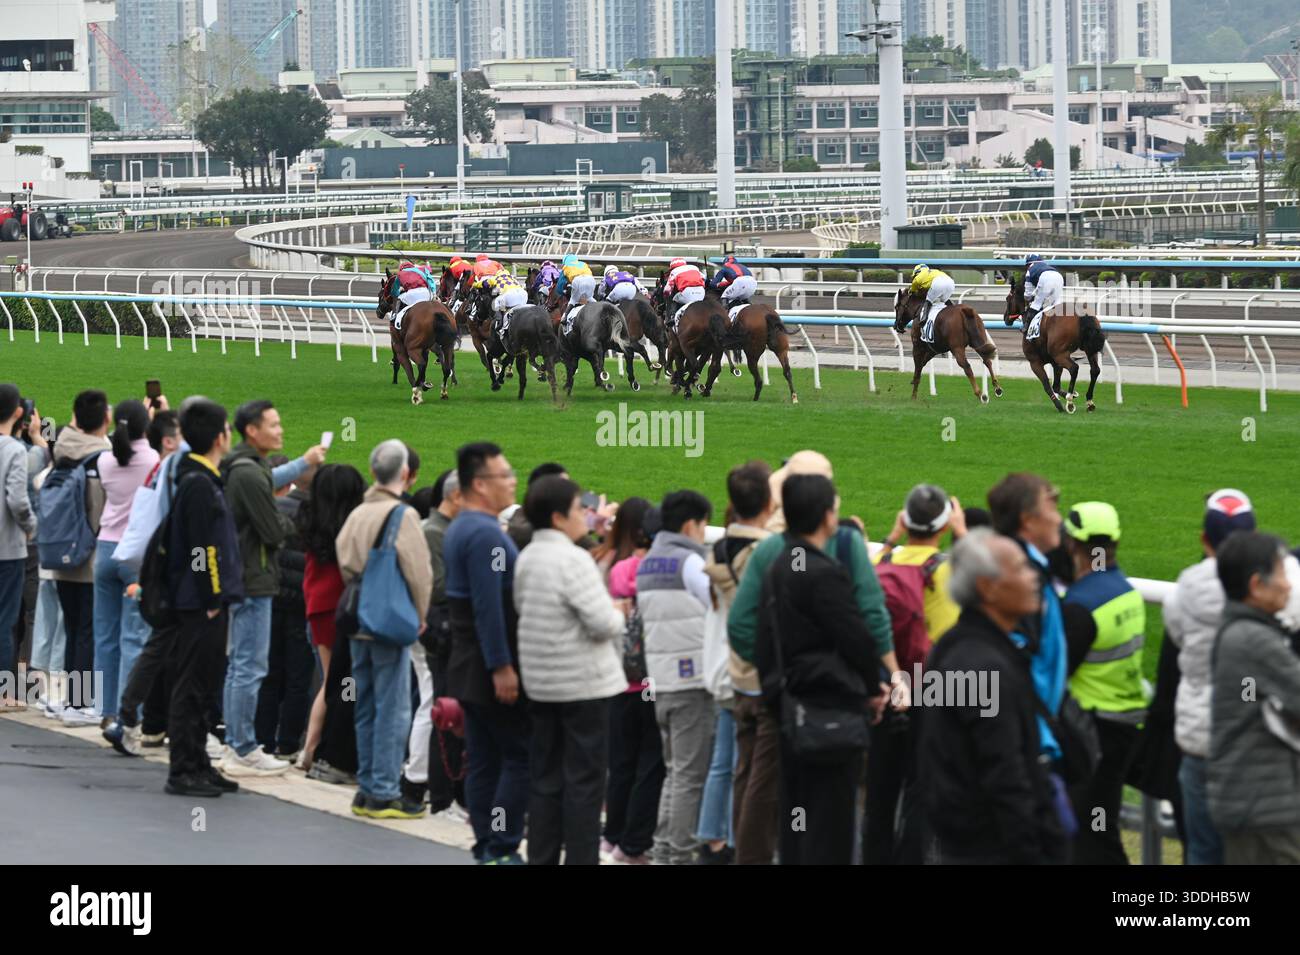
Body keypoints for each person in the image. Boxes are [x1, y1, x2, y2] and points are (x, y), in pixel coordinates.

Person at [727, 450, 896, 864]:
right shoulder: (844, 545)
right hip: (832, 700)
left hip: (782, 699)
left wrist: (775, 675)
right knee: (829, 809)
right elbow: (869, 619)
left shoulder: (771, 552)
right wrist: (885, 678)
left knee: (779, 799)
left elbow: (744, 627)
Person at [917, 529, 1068, 864]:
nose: (1033, 578)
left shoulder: (952, 648)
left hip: (962, 840)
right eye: (1020, 569)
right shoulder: (985, 664)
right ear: (987, 587)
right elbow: (1005, 777)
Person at [514, 475, 626, 864]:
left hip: (543, 686)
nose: (586, 515)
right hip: (583, 688)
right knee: (585, 785)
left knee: (546, 781)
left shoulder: (528, 556)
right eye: (580, 508)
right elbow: (602, 622)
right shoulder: (573, 559)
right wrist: (618, 612)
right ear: (560, 517)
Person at [218, 400, 323, 777]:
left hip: (245, 575)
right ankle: (244, 748)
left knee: (243, 666)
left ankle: (238, 743)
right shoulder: (248, 474)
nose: (280, 432)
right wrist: (308, 525)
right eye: (274, 425)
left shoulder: (248, 467)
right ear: (252, 431)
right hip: (254, 577)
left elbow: (269, 480)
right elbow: (273, 529)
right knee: (250, 665)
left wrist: (303, 462)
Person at [864, 483, 966, 865]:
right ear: (943, 525)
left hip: (887, 686)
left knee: (879, 793)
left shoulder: (882, 565)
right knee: (921, 795)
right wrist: (963, 533)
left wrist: (890, 538)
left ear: (905, 521)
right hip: (934, 688)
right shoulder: (952, 570)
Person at [335, 440, 433, 819]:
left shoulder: (360, 510)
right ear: (406, 474)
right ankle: (384, 790)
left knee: (367, 704)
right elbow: (419, 573)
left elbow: (344, 558)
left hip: (358, 616)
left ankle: (368, 786)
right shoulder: (402, 515)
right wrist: (419, 614)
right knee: (393, 708)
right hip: (389, 618)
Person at [443, 441, 528, 864]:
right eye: (504, 475)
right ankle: (501, 845)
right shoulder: (483, 534)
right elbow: (488, 604)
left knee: (484, 758)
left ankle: (488, 845)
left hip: (469, 661)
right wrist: (502, 666)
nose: (513, 482)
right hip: (487, 664)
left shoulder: (465, 526)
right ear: (479, 483)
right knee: (515, 756)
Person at [1165, 488, 1257, 865]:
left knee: (1203, 851)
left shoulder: (1184, 588)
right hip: (1259, 747)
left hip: (1202, 742)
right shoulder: (1286, 583)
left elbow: (1177, 636)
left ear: (1204, 539)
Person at [1059, 501, 1149, 865]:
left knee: (1092, 838)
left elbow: (1053, 673)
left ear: (1073, 544)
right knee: (1099, 828)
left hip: (1091, 732)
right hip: (1122, 725)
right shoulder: (1124, 589)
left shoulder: (1081, 605)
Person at [162, 399, 243, 797]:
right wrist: (212, 594)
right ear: (218, 437)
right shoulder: (198, 483)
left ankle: (199, 761)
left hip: (207, 598)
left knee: (205, 684)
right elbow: (201, 548)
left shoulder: (204, 477)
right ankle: (183, 768)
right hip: (200, 602)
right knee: (192, 684)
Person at [1207, 531, 1300, 863]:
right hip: (1263, 810)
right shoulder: (1254, 640)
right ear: (1256, 585)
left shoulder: (1242, 631)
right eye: (1281, 573)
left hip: (1253, 802)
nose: (1289, 585)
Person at [701, 461, 775, 865]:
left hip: (721, 665)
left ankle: (715, 839)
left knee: (726, 763)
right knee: (742, 768)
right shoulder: (763, 552)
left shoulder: (719, 545)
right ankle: (728, 841)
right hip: (744, 673)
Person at [637, 489, 715, 866]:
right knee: (688, 777)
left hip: (663, 680)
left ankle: (666, 851)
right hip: (693, 683)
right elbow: (722, 608)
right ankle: (679, 855)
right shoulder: (690, 563)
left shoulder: (649, 561)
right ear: (691, 525)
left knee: (675, 774)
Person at [987, 473, 1068, 769]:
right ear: (1028, 520)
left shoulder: (1025, 570)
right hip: (1021, 746)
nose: (1059, 520)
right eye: (1052, 509)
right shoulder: (1018, 582)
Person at [598, 498, 664, 864]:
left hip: (618, 679)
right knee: (650, 766)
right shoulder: (664, 569)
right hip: (653, 680)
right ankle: (634, 843)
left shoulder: (620, 567)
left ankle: (612, 835)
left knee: (621, 763)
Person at [297, 464, 367, 783]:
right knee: (335, 682)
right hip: (335, 605)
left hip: (317, 602)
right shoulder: (347, 526)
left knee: (331, 681)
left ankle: (311, 750)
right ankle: (312, 750)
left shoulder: (313, 518)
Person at [46, 389, 112, 724]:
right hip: (88, 554)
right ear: (105, 419)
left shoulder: (63, 448)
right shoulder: (101, 458)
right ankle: (79, 701)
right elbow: (100, 511)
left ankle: (71, 698)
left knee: (73, 628)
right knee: (87, 629)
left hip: (61, 548)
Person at [92, 400, 159, 724]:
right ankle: (129, 712)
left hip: (105, 549)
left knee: (105, 636)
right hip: (136, 554)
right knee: (133, 637)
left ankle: (106, 711)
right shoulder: (152, 459)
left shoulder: (106, 459)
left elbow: (116, 447)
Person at [253, 457, 313, 760]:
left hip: (272, 597)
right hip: (301, 601)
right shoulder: (314, 514)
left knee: (269, 671)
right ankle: (287, 742)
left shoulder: (269, 511)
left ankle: (262, 739)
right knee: (298, 676)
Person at [413, 468, 462, 811]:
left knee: (445, 711)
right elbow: (437, 587)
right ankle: (438, 797)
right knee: (439, 711)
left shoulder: (444, 531)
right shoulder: (432, 532)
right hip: (438, 632)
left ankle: (443, 794)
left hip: (443, 631)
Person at [0, 384, 38, 708]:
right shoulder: (14, 449)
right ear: (18, 413)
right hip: (7, 548)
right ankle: (3, 691)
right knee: (5, 620)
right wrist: (31, 527)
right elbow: (17, 499)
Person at [909, 263, 956, 345]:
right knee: (944, 301)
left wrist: (912, 291)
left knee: (929, 300)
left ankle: (923, 319)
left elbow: (914, 287)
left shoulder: (918, 276)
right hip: (951, 283)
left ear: (917, 272)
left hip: (938, 283)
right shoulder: (933, 272)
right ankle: (954, 311)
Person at [476, 268, 527, 341]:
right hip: (523, 294)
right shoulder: (512, 278)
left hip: (510, 295)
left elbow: (483, 284)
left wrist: (475, 284)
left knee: (495, 302)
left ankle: (499, 322)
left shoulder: (495, 278)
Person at [1023, 254, 1064, 342]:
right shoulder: (1047, 266)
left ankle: (1027, 328)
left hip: (1045, 278)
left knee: (1036, 304)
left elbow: (1027, 295)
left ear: (1028, 264)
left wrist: (1029, 299)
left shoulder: (1030, 270)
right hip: (1059, 277)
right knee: (1056, 304)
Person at [389, 260, 435, 332]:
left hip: (412, 294)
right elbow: (431, 281)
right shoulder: (422, 269)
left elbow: (394, 291)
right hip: (426, 293)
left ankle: (394, 315)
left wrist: (397, 293)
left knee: (399, 298)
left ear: (401, 268)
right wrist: (433, 292)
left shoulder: (400, 274)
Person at [556, 254, 596, 335]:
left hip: (578, 280)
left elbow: (559, 287)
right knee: (590, 298)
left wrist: (564, 291)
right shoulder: (583, 264)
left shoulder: (566, 267)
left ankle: (564, 317)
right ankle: (598, 307)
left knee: (573, 300)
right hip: (591, 280)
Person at [664, 256, 705, 329]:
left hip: (687, 293)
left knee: (674, 298)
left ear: (673, 267)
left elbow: (667, 290)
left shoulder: (674, 271)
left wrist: (666, 295)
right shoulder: (694, 268)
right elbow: (704, 278)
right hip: (702, 292)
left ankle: (672, 317)